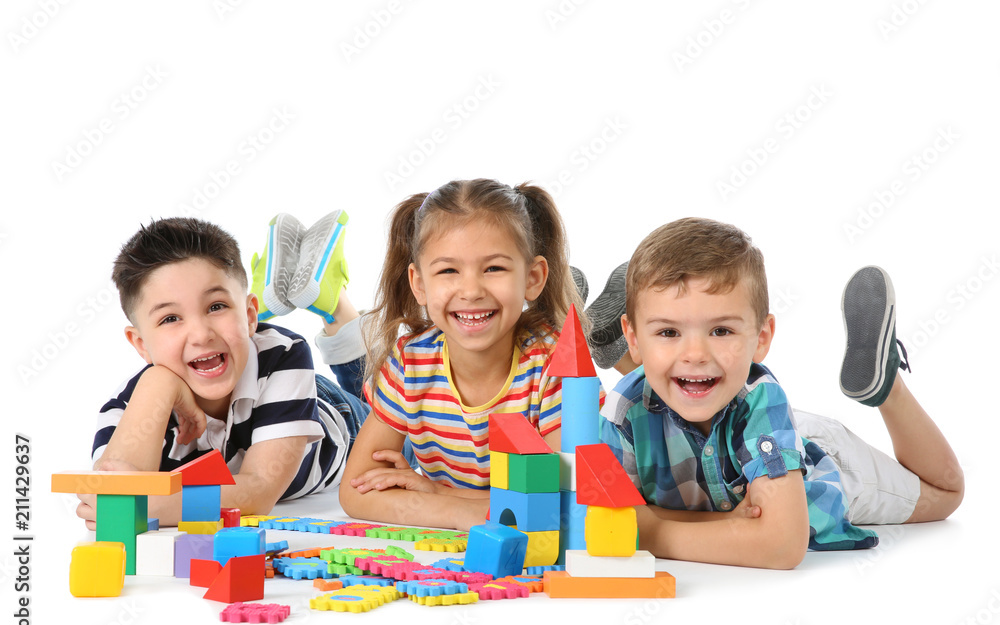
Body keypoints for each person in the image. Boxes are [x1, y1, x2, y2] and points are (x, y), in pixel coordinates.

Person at [599, 217, 964, 569]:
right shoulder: (621, 411)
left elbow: (781, 545)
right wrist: (725, 527)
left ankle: (887, 384)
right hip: (749, 438)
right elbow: (608, 522)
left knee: (945, 493)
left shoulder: (761, 399)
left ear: (761, 338)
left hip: (821, 458)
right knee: (681, 385)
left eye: (721, 331)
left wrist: (652, 532)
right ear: (633, 338)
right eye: (667, 332)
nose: (695, 354)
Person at [78, 213, 360, 527]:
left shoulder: (284, 354)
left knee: (392, 407)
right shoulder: (129, 408)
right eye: (170, 318)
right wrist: (158, 382)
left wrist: (150, 507)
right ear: (141, 344)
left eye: (217, 306)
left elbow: (259, 492)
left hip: (341, 420)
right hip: (266, 386)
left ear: (251, 315)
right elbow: (112, 497)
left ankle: (334, 303)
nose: (201, 335)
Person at [338, 178, 583, 531]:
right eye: (448, 271)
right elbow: (355, 491)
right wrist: (460, 512)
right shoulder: (411, 362)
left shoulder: (555, 368)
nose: (470, 290)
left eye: (494, 268)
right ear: (419, 283)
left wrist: (439, 495)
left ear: (532, 277)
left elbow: (564, 500)